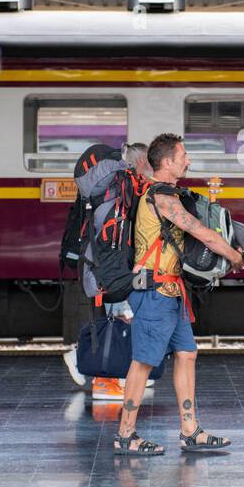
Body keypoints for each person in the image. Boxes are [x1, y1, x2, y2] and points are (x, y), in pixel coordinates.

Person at [114, 133, 244, 455]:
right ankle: (125, 435)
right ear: (168, 162)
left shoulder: (170, 194)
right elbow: (201, 233)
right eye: (183, 155)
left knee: (187, 354)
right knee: (143, 362)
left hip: (172, 291)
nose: (188, 161)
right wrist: (234, 256)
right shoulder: (161, 198)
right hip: (154, 291)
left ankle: (190, 430)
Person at [88, 142, 152, 401]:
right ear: (139, 163)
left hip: (111, 266)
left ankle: (118, 375)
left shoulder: (116, 188)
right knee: (118, 320)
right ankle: (103, 381)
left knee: (118, 319)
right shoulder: (121, 190)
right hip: (113, 268)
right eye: (148, 163)